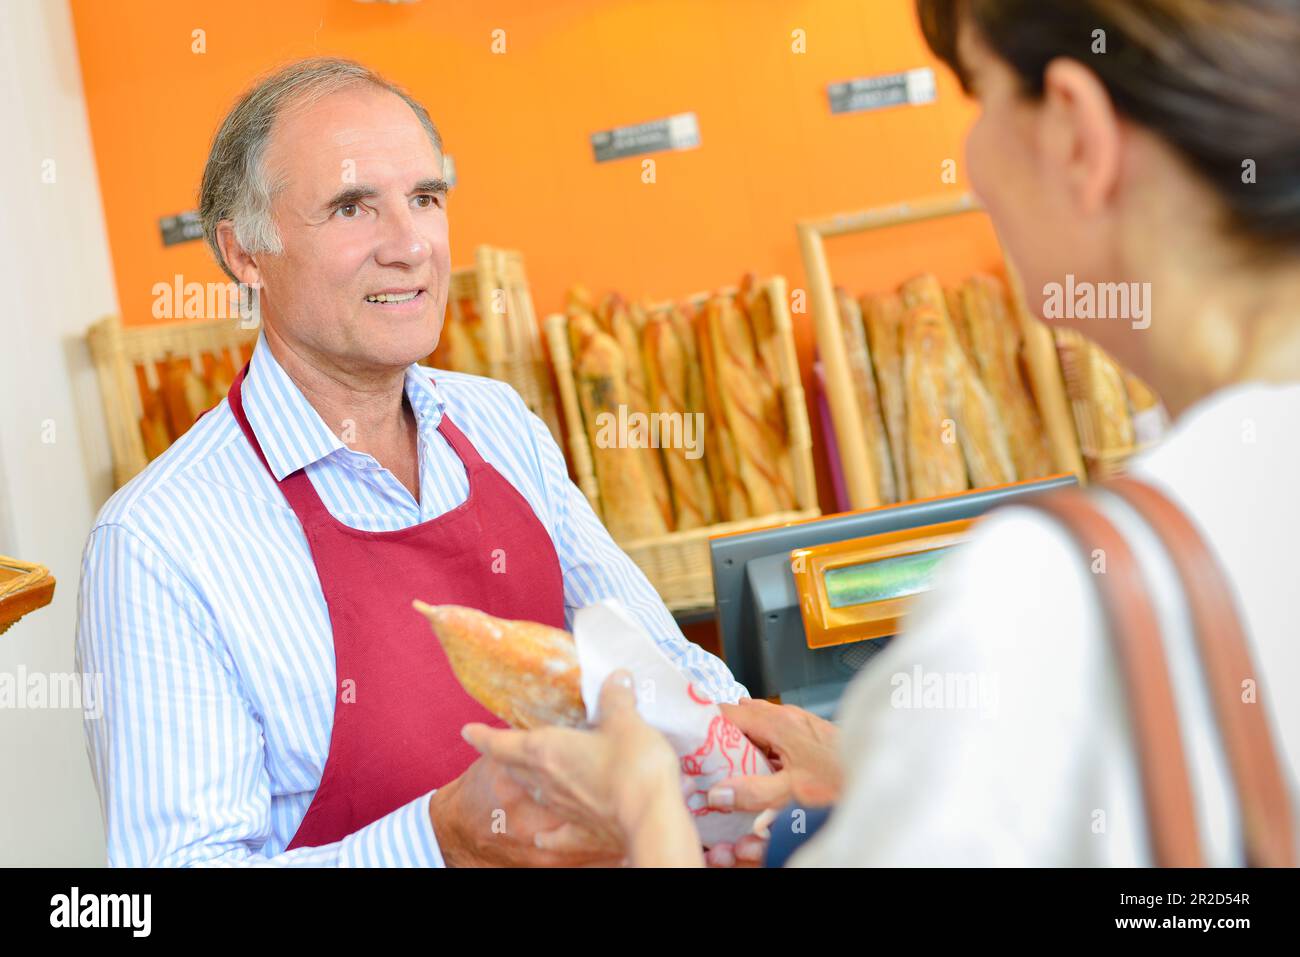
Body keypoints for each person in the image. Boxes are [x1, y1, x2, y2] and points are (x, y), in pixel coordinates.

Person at [465, 0, 1300, 867]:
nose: (971, 162)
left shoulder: (1048, 598)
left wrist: (644, 806)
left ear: (1076, 137)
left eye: (975, 96)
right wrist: (879, 780)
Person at [74, 57, 746, 867]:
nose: (410, 245)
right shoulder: (157, 543)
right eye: (353, 206)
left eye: (426, 199)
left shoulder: (497, 422)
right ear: (245, 253)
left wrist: (759, 757)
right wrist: (441, 836)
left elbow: (661, 669)